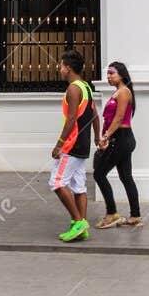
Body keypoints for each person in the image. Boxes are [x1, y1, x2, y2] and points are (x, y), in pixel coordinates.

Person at [49, 49, 98, 244]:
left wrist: (59, 144)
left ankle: (78, 222)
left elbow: (71, 120)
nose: (59, 69)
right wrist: (96, 137)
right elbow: (95, 115)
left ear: (68, 68)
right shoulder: (86, 87)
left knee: (57, 183)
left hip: (71, 145)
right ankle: (80, 227)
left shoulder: (73, 89)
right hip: (83, 144)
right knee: (79, 186)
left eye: (61, 66)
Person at [94, 60, 143, 229]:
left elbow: (119, 118)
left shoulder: (123, 92)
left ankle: (112, 214)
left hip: (121, 138)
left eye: (111, 73)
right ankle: (135, 216)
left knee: (99, 174)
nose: (108, 76)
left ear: (121, 74)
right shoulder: (118, 92)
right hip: (121, 138)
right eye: (107, 73)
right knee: (126, 177)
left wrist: (106, 136)